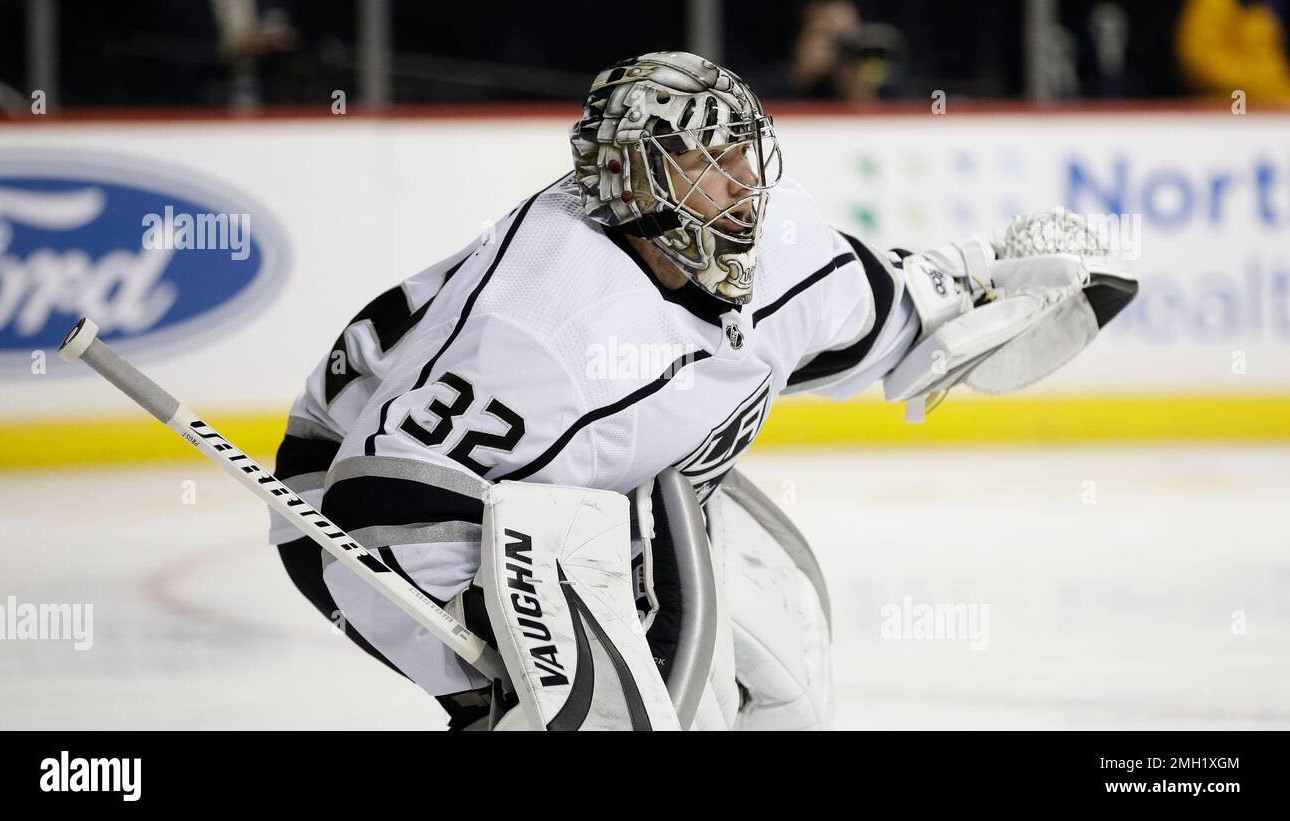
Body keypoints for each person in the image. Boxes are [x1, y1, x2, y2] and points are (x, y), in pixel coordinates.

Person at [268, 51, 1137, 730]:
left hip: (619, 478)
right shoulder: (547, 330)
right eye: (706, 162)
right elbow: (372, 505)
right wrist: (490, 654)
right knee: (655, 708)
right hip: (365, 501)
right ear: (637, 182)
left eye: (742, 153)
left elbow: (886, 309)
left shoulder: (782, 240)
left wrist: (989, 281)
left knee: (782, 691)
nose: (743, 185)